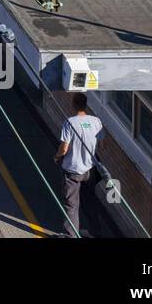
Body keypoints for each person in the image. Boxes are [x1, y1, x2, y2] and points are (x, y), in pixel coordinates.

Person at [55, 93, 104, 237]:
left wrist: (57, 157)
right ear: (86, 104)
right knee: (89, 201)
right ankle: (95, 232)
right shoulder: (96, 122)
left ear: (74, 104)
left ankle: (71, 235)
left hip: (72, 170)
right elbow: (102, 145)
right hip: (90, 170)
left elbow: (64, 148)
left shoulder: (69, 123)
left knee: (71, 205)